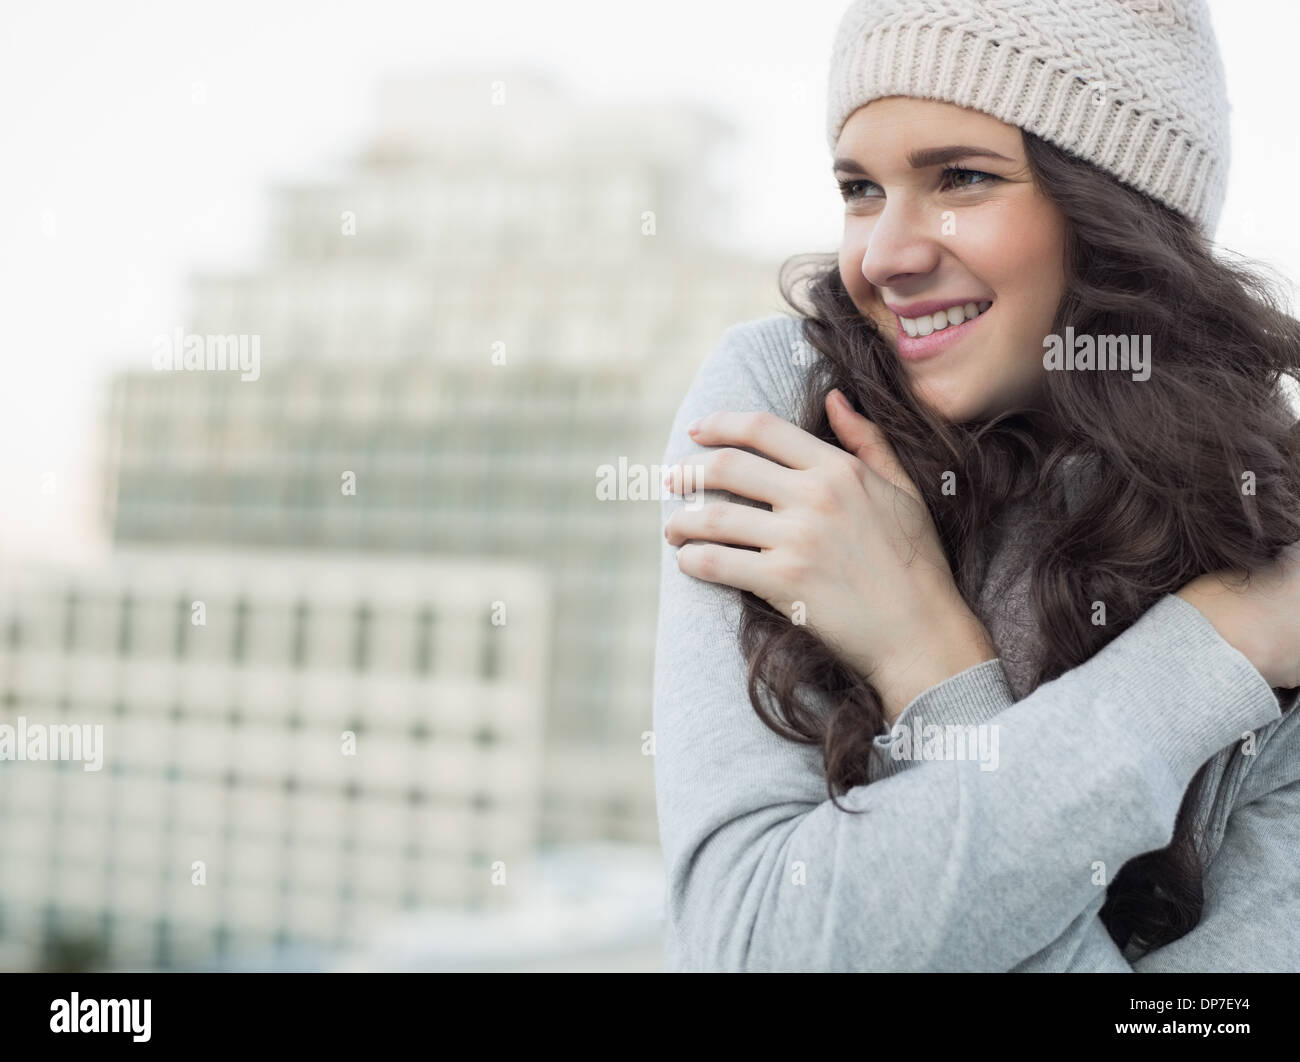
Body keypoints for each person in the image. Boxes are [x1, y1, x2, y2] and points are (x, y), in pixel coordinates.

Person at [652, 0, 1300, 972]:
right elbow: (754, 945)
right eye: (860, 188)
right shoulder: (785, 407)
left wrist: (930, 672)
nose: (883, 256)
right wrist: (1214, 651)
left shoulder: (1268, 524)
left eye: (960, 177)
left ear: (1119, 208)